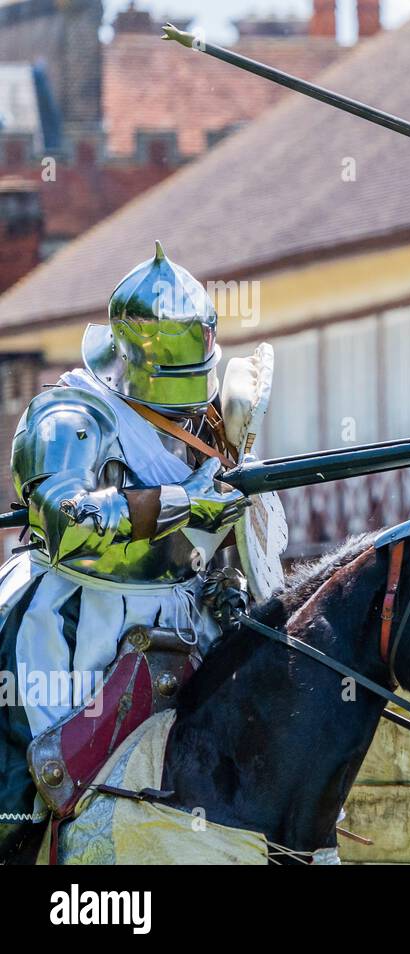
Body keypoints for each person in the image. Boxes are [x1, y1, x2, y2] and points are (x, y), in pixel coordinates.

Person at [0, 242, 263, 857]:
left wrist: (228, 579)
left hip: (182, 618)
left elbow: (224, 528)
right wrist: (176, 504)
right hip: (69, 623)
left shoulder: (207, 423)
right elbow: (66, 520)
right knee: (25, 788)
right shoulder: (69, 413)